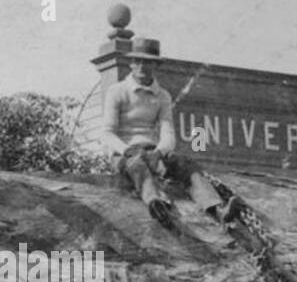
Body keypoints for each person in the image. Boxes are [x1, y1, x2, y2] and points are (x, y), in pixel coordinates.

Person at [101, 37, 240, 227]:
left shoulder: (162, 96)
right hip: (123, 154)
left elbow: (168, 133)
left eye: (148, 61)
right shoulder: (117, 91)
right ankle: (156, 203)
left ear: (155, 65)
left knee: (185, 164)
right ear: (131, 63)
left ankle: (218, 209)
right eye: (138, 61)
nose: (142, 66)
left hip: (151, 152)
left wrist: (158, 153)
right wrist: (127, 150)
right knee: (137, 165)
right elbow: (107, 133)